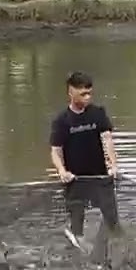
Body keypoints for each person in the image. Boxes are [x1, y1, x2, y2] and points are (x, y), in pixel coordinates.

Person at [50, 72, 120, 249]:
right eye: (83, 94)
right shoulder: (61, 121)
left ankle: (116, 249)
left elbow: (107, 139)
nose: (87, 97)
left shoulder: (97, 113)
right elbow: (55, 151)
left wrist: (113, 165)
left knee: (112, 220)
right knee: (77, 225)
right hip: (75, 180)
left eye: (89, 93)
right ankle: (77, 253)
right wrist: (61, 171)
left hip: (101, 177)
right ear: (71, 92)